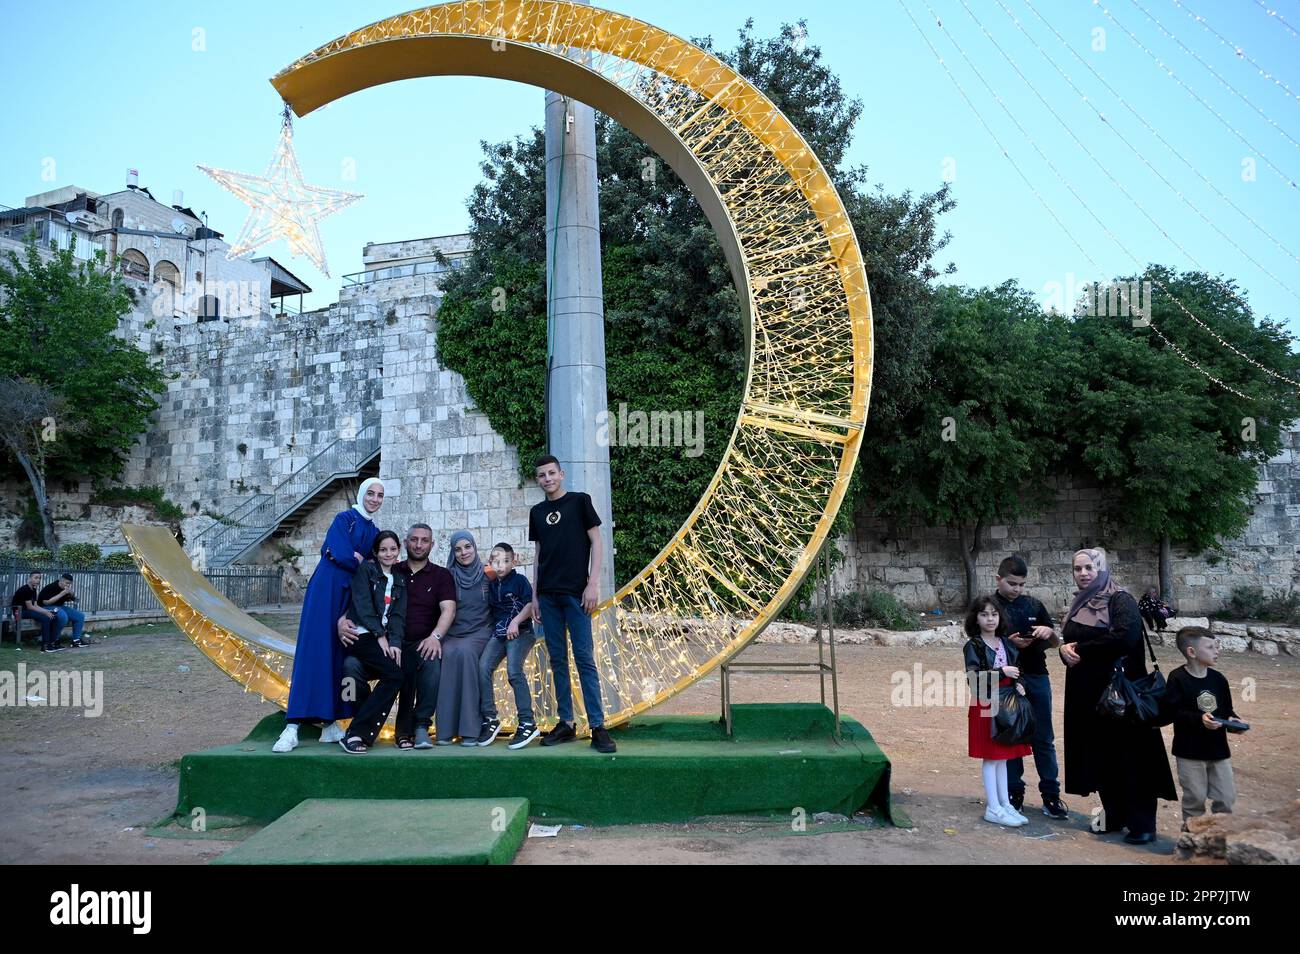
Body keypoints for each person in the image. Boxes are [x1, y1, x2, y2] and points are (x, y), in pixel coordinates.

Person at [1059, 547, 1176, 846]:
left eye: (1090, 567)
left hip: (1122, 694)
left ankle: (1142, 823)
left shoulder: (1119, 598)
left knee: (1132, 757)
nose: (1083, 573)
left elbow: (1126, 637)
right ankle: (1113, 815)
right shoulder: (1079, 602)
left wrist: (1080, 650)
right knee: (1100, 755)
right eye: (1078, 568)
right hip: (1088, 695)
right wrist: (1064, 650)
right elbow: (1070, 641)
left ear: (1102, 567)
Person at [273, 477, 384, 753]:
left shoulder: (375, 530)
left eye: (380, 495)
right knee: (314, 651)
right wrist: (358, 559)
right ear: (361, 494)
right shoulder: (344, 518)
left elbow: (371, 564)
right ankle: (293, 725)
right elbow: (338, 552)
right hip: (327, 589)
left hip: (350, 595)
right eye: (370, 493)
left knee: (340, 655)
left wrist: (359, 560)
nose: (374, 499)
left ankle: (331, 721)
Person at [339, 524, 456, 749]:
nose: (419, 544)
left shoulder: (440, 575)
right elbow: (361, 602)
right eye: (414, 539)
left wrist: (435, 637)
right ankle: (358, 719)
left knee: (419, 663)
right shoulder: (389, 569)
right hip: (377, 641)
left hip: (414, 643)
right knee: (350, 666)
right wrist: (340, 622)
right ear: (406, 543)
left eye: (424, 540)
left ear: (432, 544)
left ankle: (415, 727)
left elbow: (447, 610)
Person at [529, 455, 616, 754]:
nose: (547, 479)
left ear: (561, 474)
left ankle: (597, 726)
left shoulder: (580, 501)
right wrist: (534, 596)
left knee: (584, 659)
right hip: (548, 597)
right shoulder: (537, 512)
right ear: (538, 479)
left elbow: (597, 542)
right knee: (557, 661)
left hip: (577, 595)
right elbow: (539, 556)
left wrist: (593, 584)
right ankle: (566, 722)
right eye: (542, 475)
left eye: (551, 473)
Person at [993, 555, 1067, 819]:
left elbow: (1056, 643)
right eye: (1012, 583)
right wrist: (1009, 644)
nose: (1017, 589)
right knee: (1012, 738)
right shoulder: (988, 607)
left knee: (1044, 737)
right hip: (1006, 681)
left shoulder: (1034, 604)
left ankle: (1051, 795)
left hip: (1037, 676)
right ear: (998, 579)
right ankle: (1014, 793)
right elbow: (979, 647)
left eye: (1022, 584)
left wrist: (1049, 634)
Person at [963, 594, 1031, 827]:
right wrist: (1003, 673)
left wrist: (1020, 682)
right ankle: (993, 807)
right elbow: (973, 679)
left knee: (1003, 758)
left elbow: (1018, 670)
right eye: (984, 614)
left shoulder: (1006, 643)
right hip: (985, 702)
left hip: (1006, 703)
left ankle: (1005, 804)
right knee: (991, 758)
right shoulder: (974, 646)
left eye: (994, 614)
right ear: (976, 618)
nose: (990, 619)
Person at [338, 531, 408, 753]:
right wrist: (381, 636)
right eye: (383, 550)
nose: (388, 554)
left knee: (396, 673)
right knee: (395, 675)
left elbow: (398, 615)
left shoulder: (399, 579)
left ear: (399, 550)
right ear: (376, 553)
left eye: (393, 549)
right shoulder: (366, 571)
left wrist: (394, 642)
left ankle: (357, 732)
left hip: (383, 636)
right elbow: (363, 607)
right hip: (361, 634)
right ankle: (356, 733)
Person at [1163, 626, 1238, 828]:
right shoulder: (1177, 678)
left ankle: (1219, 839)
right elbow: (1173, 712)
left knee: (1226, 798)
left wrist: (1233, 721)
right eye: (1211, 647)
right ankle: (1191, 841)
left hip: (1219, 751)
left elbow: (1226, 710)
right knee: (1194, 799)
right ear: (1192, 652)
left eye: (1217, 647)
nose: (1217, 651)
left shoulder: (1218, 679)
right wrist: (1199, 719)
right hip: (1190, 752)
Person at [476, 542, 540, 748]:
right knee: (483, 667)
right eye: (496, 561)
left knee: (514, 671)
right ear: (490, 562)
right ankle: (490, 719)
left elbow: (530, 605)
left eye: (505, 561)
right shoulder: (492, 585)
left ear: (514, 561)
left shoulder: (520, 580)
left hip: (521, 632)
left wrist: (516, 621)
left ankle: (528, 722)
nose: (501, 565)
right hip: (500, 634)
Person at [435, 530, 495, 746]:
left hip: (481, 631)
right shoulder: (446, 577)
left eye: (467, 547)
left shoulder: (489, 573)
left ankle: (471, 729)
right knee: (448, 652)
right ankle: (446, 729)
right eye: (458, 549)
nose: (463, 553)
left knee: (466, 653)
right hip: (454, 632)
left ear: (474, 547)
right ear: (453, 552)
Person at [11, 572, 63, 653]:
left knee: (53, 616)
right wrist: (45, 613)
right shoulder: (26, 589)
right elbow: (30, 607)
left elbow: (35, 605)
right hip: (20, 612)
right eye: (36, 578)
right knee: (46, 618)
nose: (38, 580)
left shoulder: (33, 589)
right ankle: (45, 645)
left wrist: (47, 611)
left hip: (28, 610)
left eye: (39, 578)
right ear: (29, 578)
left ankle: (52, 642)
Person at [40, 574, 89, 647]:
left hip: (59, 606)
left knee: (80, 616)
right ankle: (54, 640)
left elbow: (72, 599)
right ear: (61, 580)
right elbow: (46, 602)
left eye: (70, 584)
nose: (68, 585)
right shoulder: (50, 587)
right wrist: (61, 594)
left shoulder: (65, 589)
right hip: (46, 607)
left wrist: (72, 594)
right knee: (63, 616)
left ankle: (76, 640)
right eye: (67, 583)